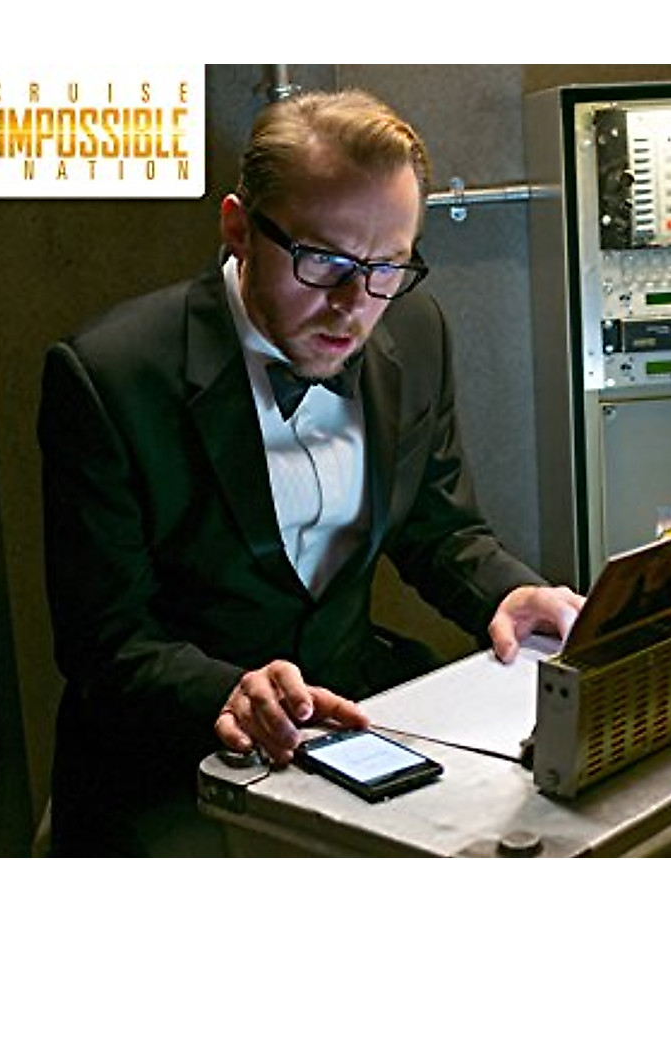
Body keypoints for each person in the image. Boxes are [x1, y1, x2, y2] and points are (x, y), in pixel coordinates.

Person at [38, 88, 584, 856]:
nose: (354, 306)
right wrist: (228, 690)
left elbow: (439, 527)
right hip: (167, 767)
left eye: (388, 266)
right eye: (323, 260)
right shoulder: (108, 376)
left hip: (355, 725)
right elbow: (106, 641)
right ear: (238, 230)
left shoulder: (415, 329)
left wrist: (511, 593)